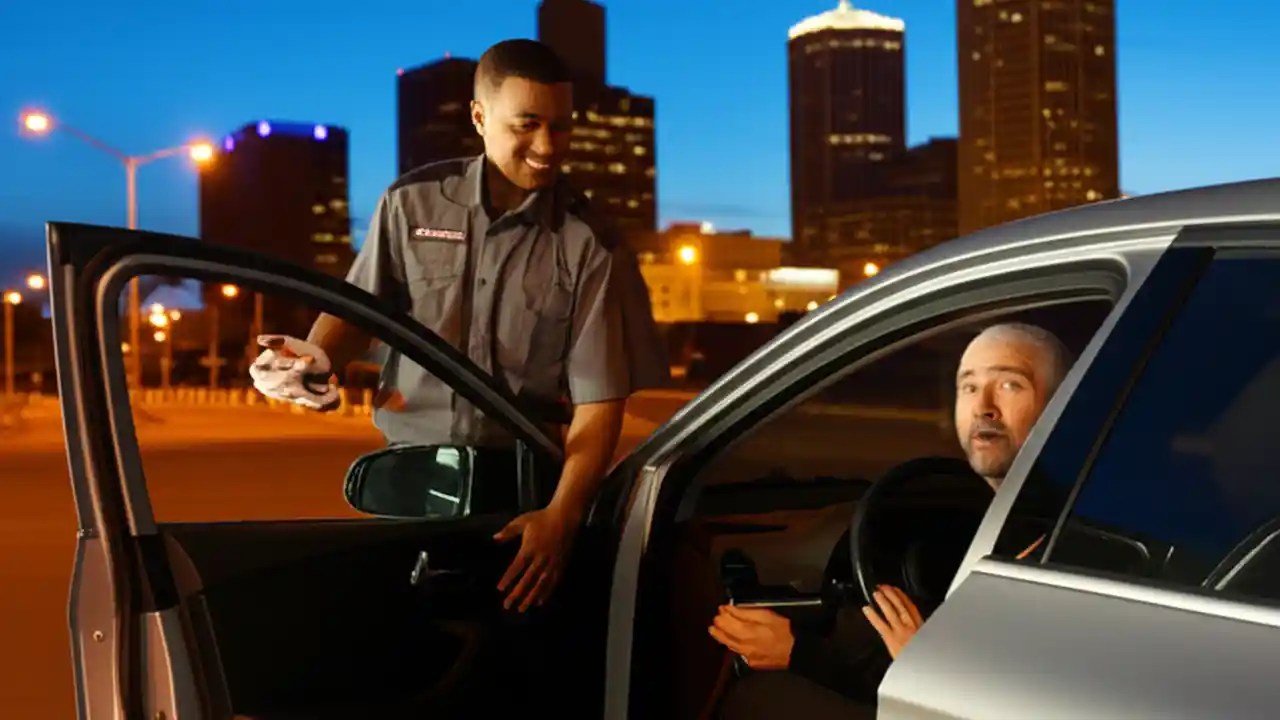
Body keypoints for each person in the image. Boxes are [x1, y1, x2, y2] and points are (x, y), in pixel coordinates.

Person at [248, 38, 668, 614]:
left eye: (562, 127)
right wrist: (312, 360)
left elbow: (599, 408)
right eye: (527, 125)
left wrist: (561, 519)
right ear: (479, 117)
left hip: (520, 500)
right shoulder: (410, 205)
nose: (548, 147)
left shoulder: (589, 243)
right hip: (407, 481)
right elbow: (355, 311)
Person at [710, 322, 1073, 718]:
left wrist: (806, 654)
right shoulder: (1012, 515)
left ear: (1061, 404)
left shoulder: (1063, 537)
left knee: (758, 701)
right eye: (968, 386)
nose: (983, 405)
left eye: (1009, 385)